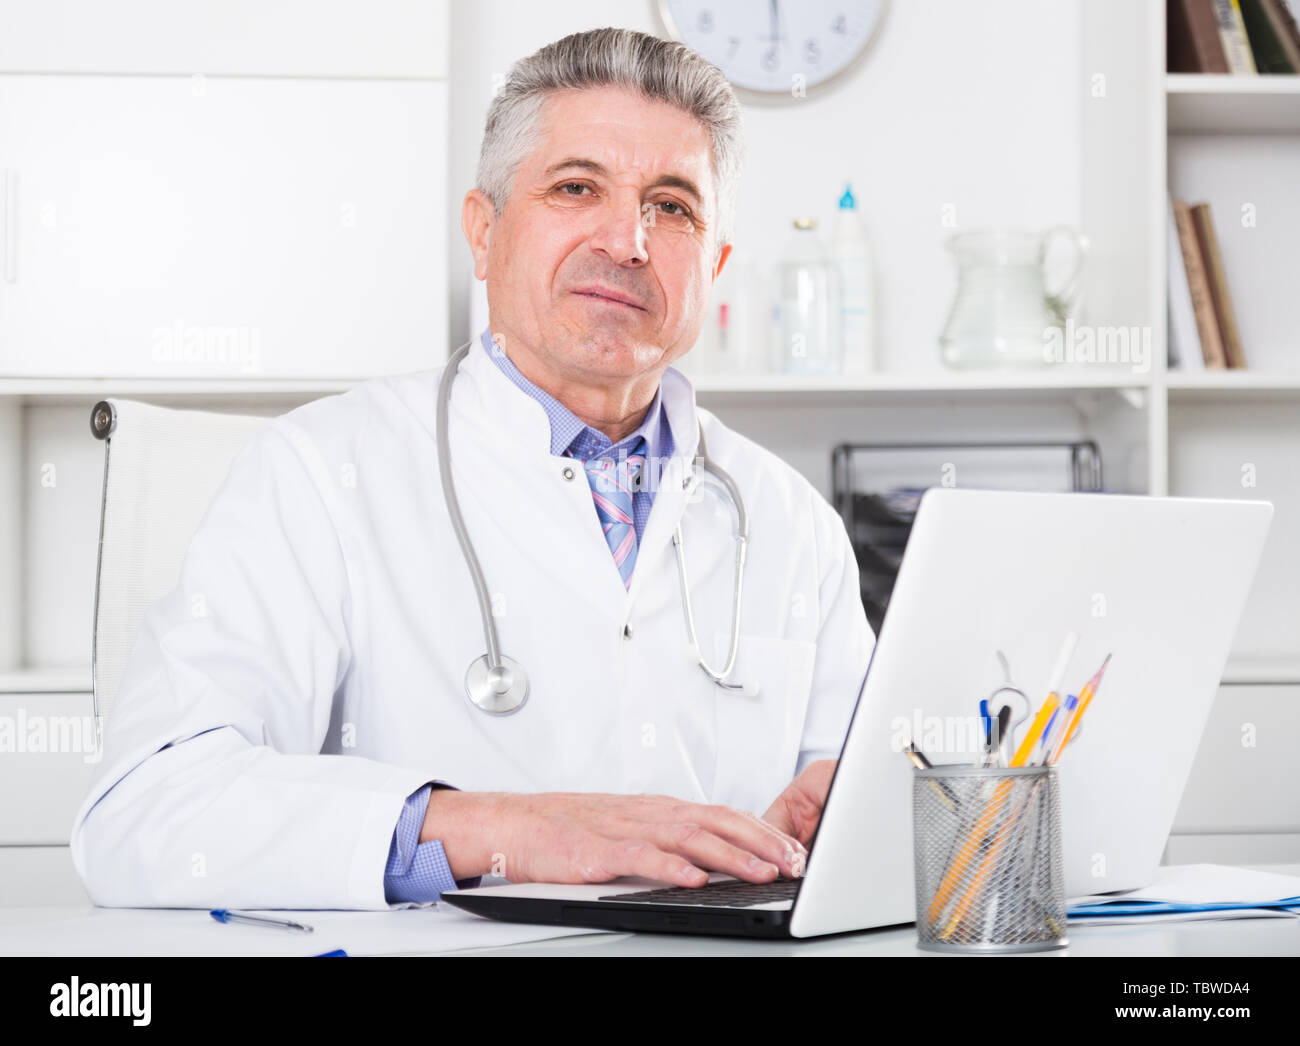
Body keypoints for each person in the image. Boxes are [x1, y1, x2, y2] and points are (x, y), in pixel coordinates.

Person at [71, 27, 875, 909]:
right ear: (484, 234)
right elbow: (145, 814)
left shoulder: (791, 521)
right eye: (577, 188)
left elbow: (847, 802)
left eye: (673, 207)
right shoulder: (321, 471)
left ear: (713, 267)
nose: (629, 240)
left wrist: (843, 822)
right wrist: (508, 831)